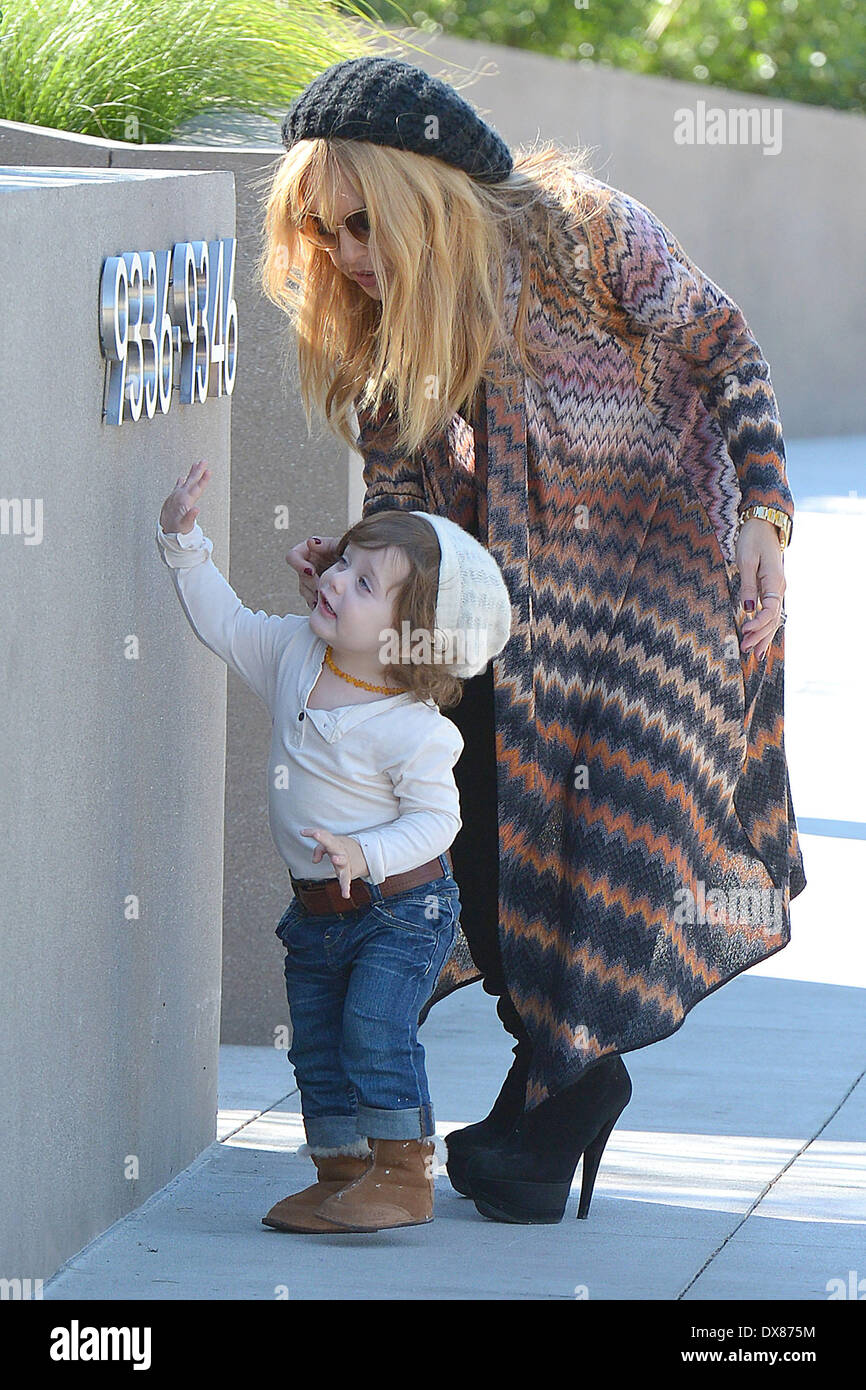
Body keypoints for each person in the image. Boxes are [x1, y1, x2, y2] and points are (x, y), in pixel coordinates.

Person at [267, 56, 807, 1226]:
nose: (349, 254)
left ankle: (551, 1106)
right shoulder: (382, 335)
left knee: (602, 861)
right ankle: (563, 1093)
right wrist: (353, 565)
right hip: (502, 632)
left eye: (363, 220)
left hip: (658, 608)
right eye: (324, 231)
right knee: (476, 855)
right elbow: (404, 509)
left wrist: (764, 516)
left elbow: (725, 350)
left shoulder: (583, 234)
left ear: (424, 188)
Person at [155, 460, 512, 1232]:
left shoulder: (414, 727)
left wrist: (366, 853)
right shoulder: (293, 653)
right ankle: (342, 1169)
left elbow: (437, 824)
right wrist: (185, 543)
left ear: (409, 636)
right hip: (316, 913)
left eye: (363, 585)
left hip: (400, 908)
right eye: (342, 562)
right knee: (316, 1047)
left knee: (373, 1032)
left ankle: (403, 1175)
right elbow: (225, 622)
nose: (336, 580)